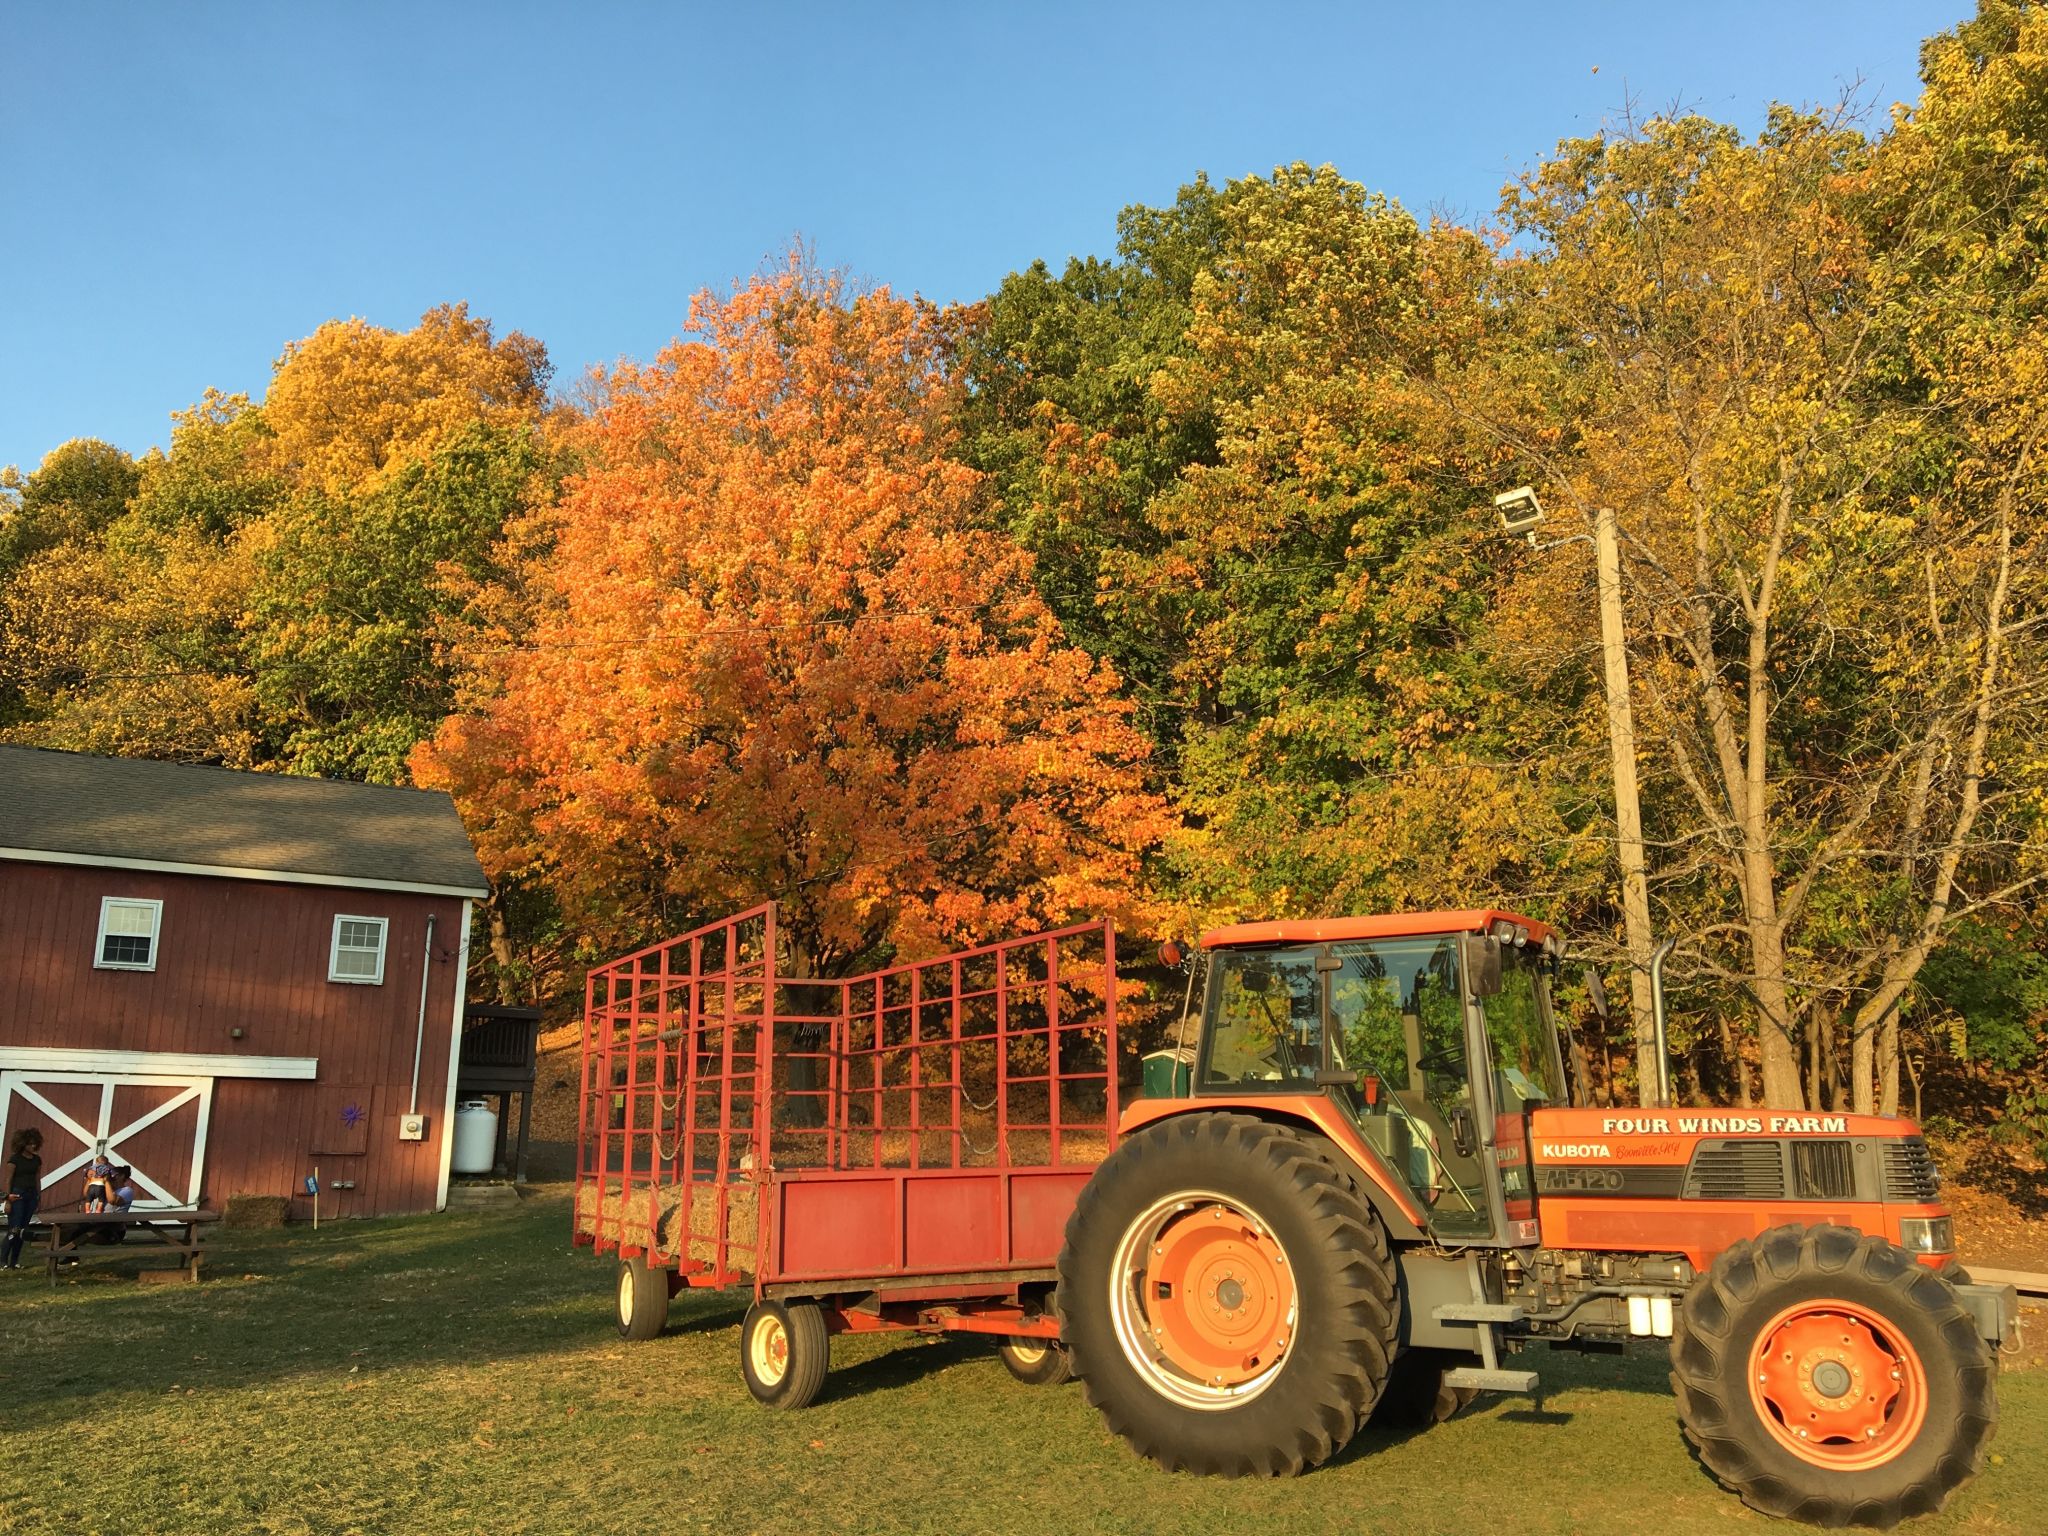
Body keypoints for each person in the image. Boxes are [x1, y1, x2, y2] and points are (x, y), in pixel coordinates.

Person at [3, 1128, 43, 1270]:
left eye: (34, 1143)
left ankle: (15, 1261)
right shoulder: (14, 1159)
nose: (32, 1146)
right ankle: (3, 1261)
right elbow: (9, 1180)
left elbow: (37, 1179)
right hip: (17, 1195)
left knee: (22, 1230)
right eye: (29, 1144)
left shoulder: (37, 1160)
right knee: (14, 1228)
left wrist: (39, 1197)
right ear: (22, 1144)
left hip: (31, 1195)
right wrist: (7, 1199)